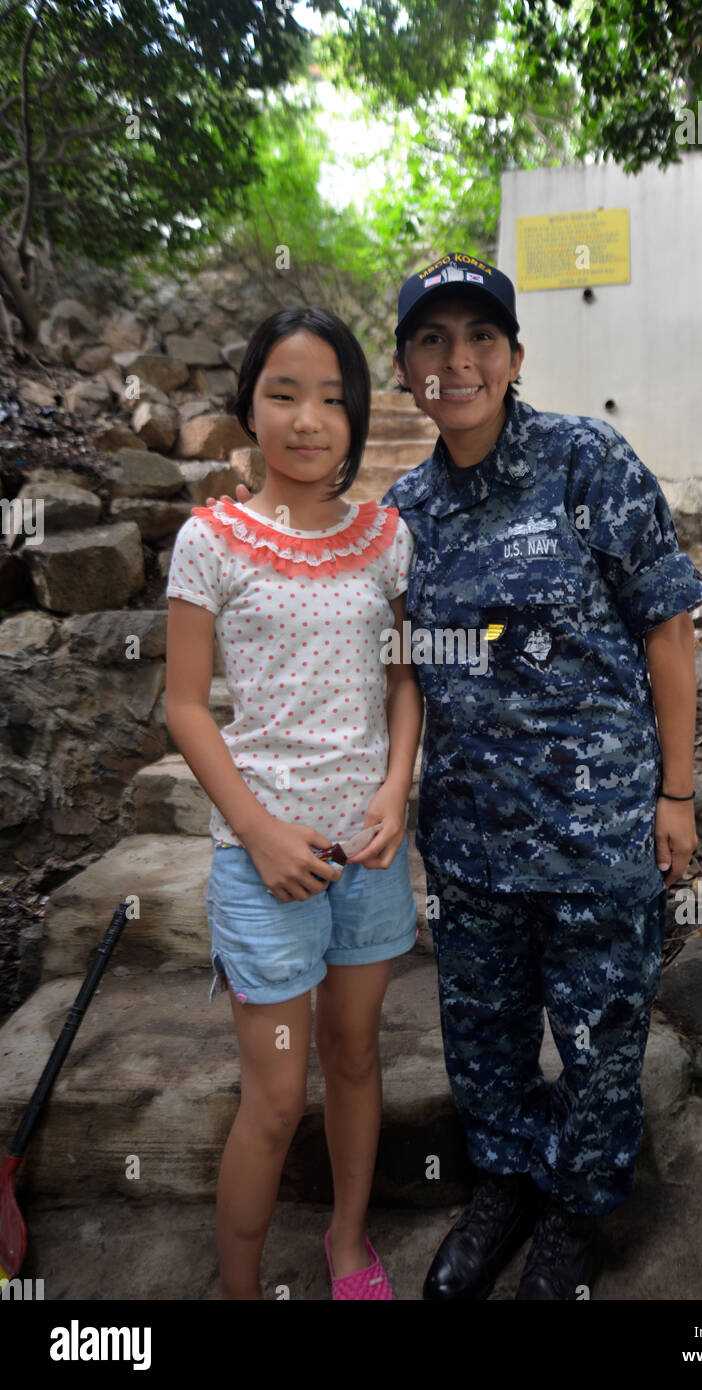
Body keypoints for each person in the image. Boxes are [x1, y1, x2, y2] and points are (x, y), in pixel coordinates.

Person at [377, 252, 702, 1300]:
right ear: (405, 368)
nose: (457, 359)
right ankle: (507, 1186)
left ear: (515, 356)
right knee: (482, 1041)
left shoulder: (587, 464)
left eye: (480, 337)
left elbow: (667, 628)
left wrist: (678, 793)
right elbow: (389, 656)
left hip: (597, 837)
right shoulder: (402, 513)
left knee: (604, 1046)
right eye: (432, 339)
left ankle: (576, 1214)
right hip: (472, 841)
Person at [165, 305, 422, 1301]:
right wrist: (260, 831)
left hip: (368, 851)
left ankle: (348, 1244)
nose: (308, 418)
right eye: (283, 393)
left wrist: (397, 787)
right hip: (264, 861)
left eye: (331, 398)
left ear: (356, 417)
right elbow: (186, 705)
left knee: (354, 1053)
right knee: (275, 1097)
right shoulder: (210, 539)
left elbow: (406, 678)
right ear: (249, 409)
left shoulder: (386, 537)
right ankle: (238, 1290)